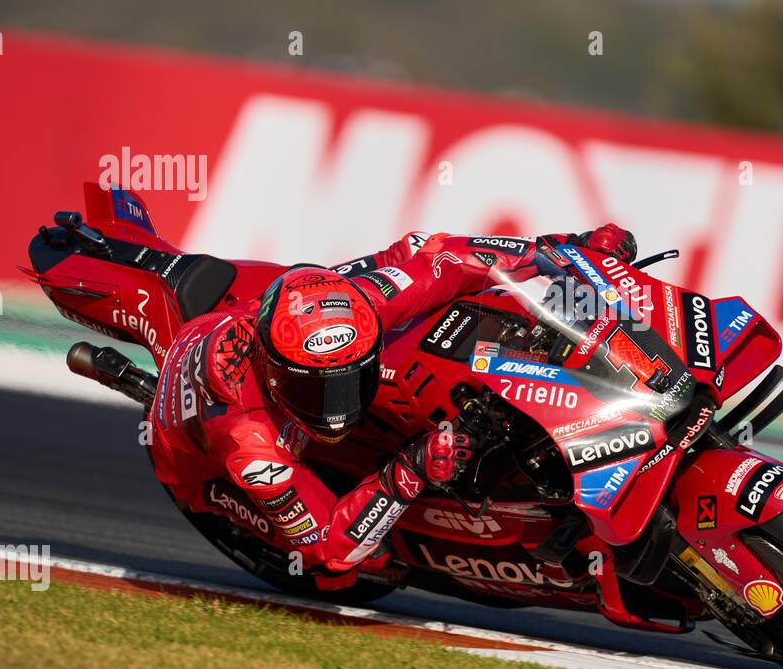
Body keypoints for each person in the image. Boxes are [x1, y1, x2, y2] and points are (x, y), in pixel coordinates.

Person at [146, 224, 636, 589]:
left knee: (423, 279)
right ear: (275, 375)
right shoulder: (248, 444)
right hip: (198, 468)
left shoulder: (362, 303)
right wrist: (412, 468)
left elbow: (448, 258)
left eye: (350, 379)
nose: (338, 407)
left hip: (252, 317)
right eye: (318, 390)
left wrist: (561, 251)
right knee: (359, 567)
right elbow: (331, 547)